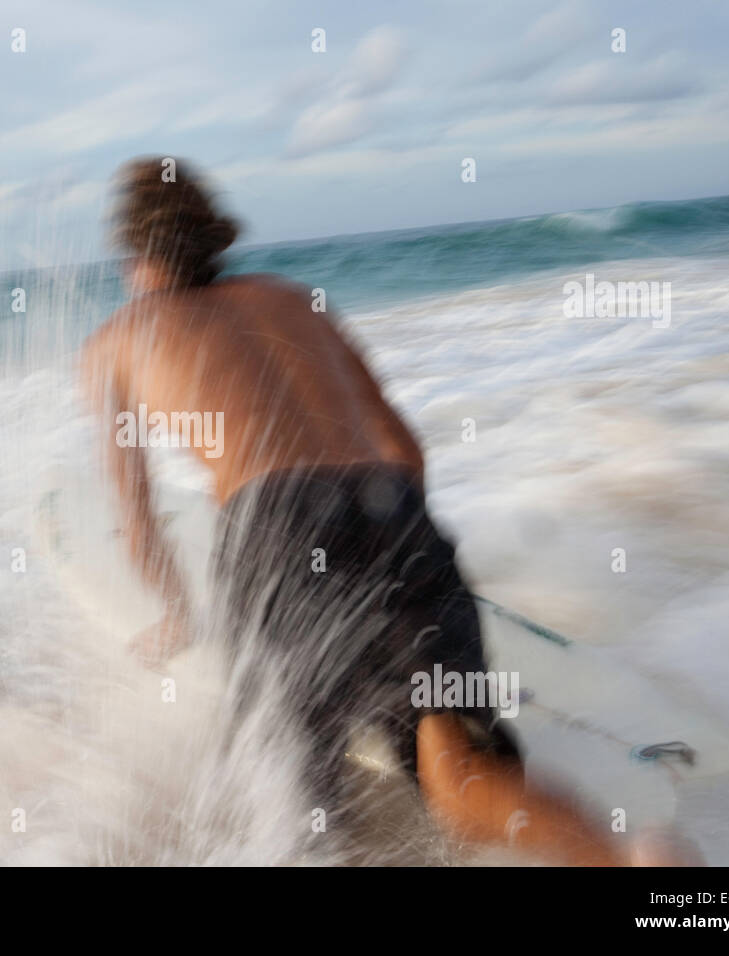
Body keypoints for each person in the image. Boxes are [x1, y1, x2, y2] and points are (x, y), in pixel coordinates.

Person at [81, 157, 671, 866]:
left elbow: (138, 520)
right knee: (458, 777)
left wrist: (181, 614)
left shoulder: (117, 340)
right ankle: (632, 860)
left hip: (276, 530)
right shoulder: (296, 301)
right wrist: (404, 571)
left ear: (136, 254)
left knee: (301, 815)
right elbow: (404, 446)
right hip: (392, 508)